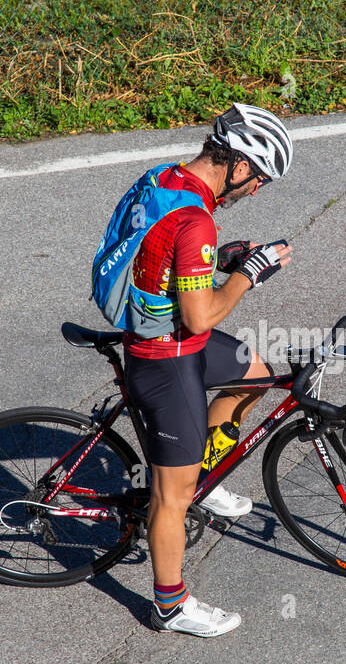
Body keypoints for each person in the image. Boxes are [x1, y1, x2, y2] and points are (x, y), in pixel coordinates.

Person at [117, 104, 293, 637]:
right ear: (237, 166)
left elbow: (156, 244)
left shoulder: (164, 178)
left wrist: (217, 259)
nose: (257, 190)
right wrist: (249, 274)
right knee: (170, 498)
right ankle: (170, 606)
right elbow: (202, 315)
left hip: (166, 331)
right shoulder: (196, 221)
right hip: (164, 359)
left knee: (255, 374)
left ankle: (203, 476)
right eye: (259, 179)